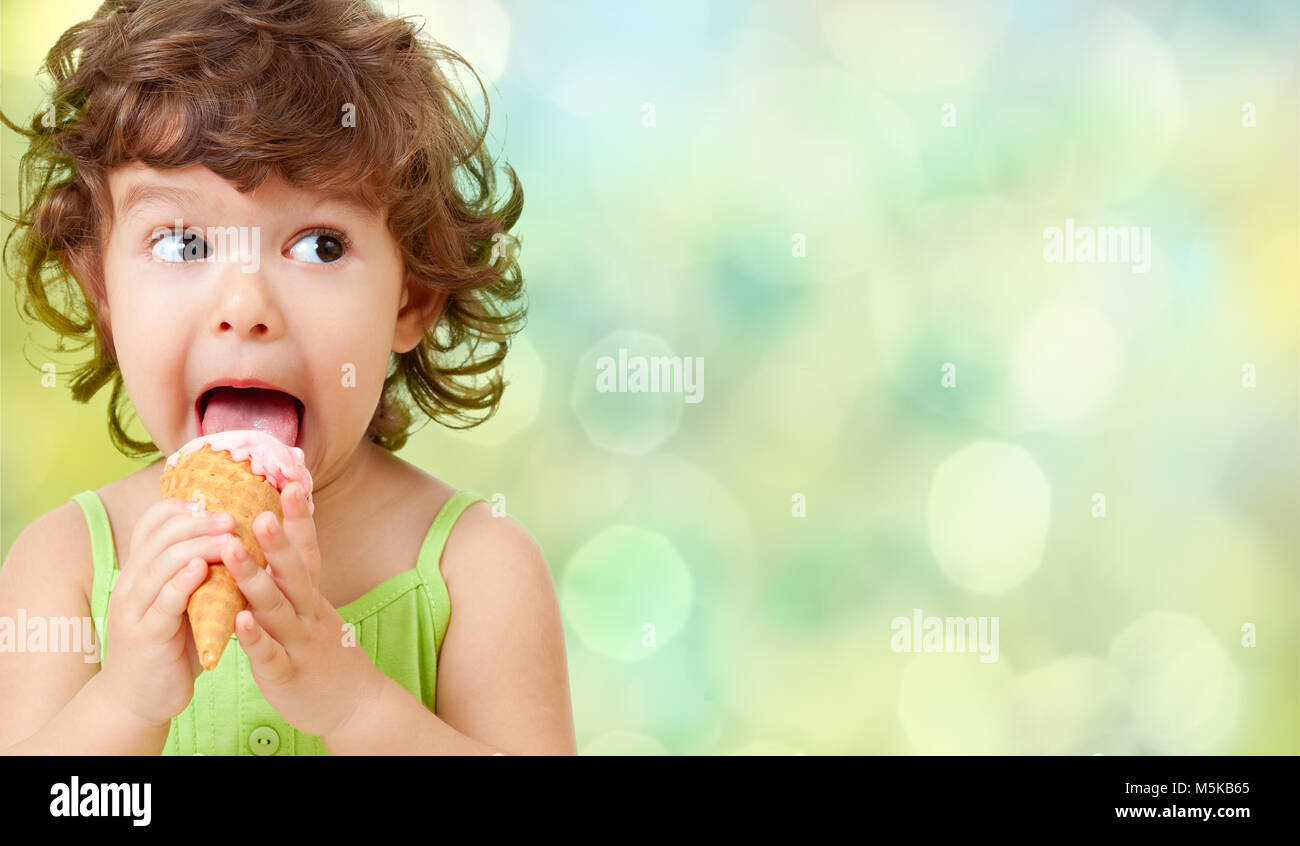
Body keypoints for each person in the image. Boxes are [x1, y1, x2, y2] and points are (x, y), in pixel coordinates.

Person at [0, 0, 575, 756]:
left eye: (320, 246)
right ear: (103, 291)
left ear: (413, 299)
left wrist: (355, 705)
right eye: (179, 243)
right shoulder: (67, 564)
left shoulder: (479, 570)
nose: (246, 307)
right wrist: (124, 704)